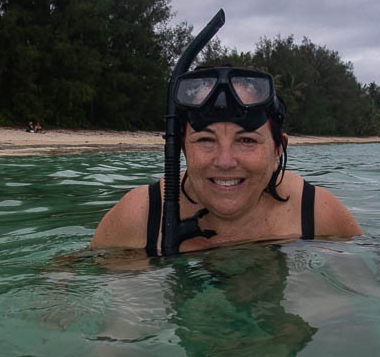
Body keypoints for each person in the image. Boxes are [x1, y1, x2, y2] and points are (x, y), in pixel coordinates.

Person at [90, 65, 362, 254]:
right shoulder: (140, 217)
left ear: (279, 148)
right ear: (182, 147)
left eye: (247, 140)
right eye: (205, 140)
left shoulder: (317, 214)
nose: (225, 161)